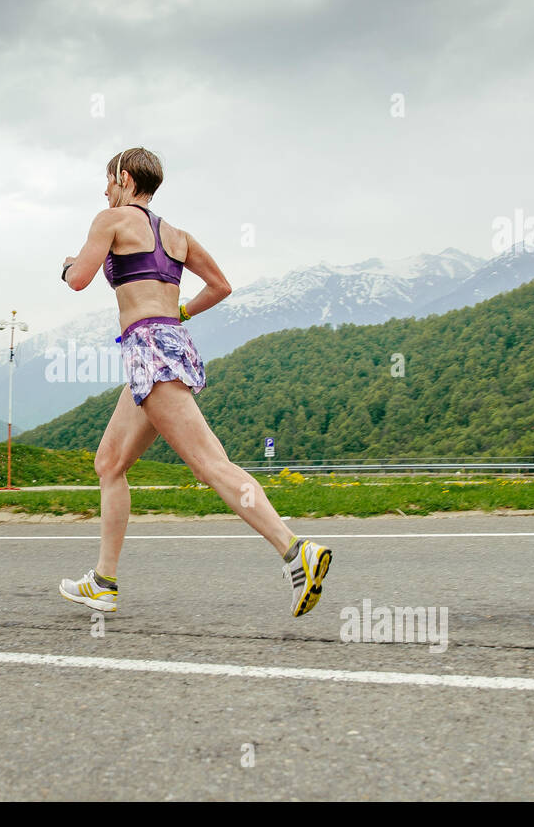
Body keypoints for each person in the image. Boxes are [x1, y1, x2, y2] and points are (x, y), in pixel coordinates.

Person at [57, 147, 332, 617]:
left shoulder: (110, 220)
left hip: (147, 350)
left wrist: (65, 264)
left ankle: (295, 551)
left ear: (124, 178)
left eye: (107, 181)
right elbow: (221, 286)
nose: (104, 191)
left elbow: (79, 279)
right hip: (168, 346)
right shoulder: (178, 236)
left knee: (210, 465)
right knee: (109, 462)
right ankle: (103, 581)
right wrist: (177, 311)